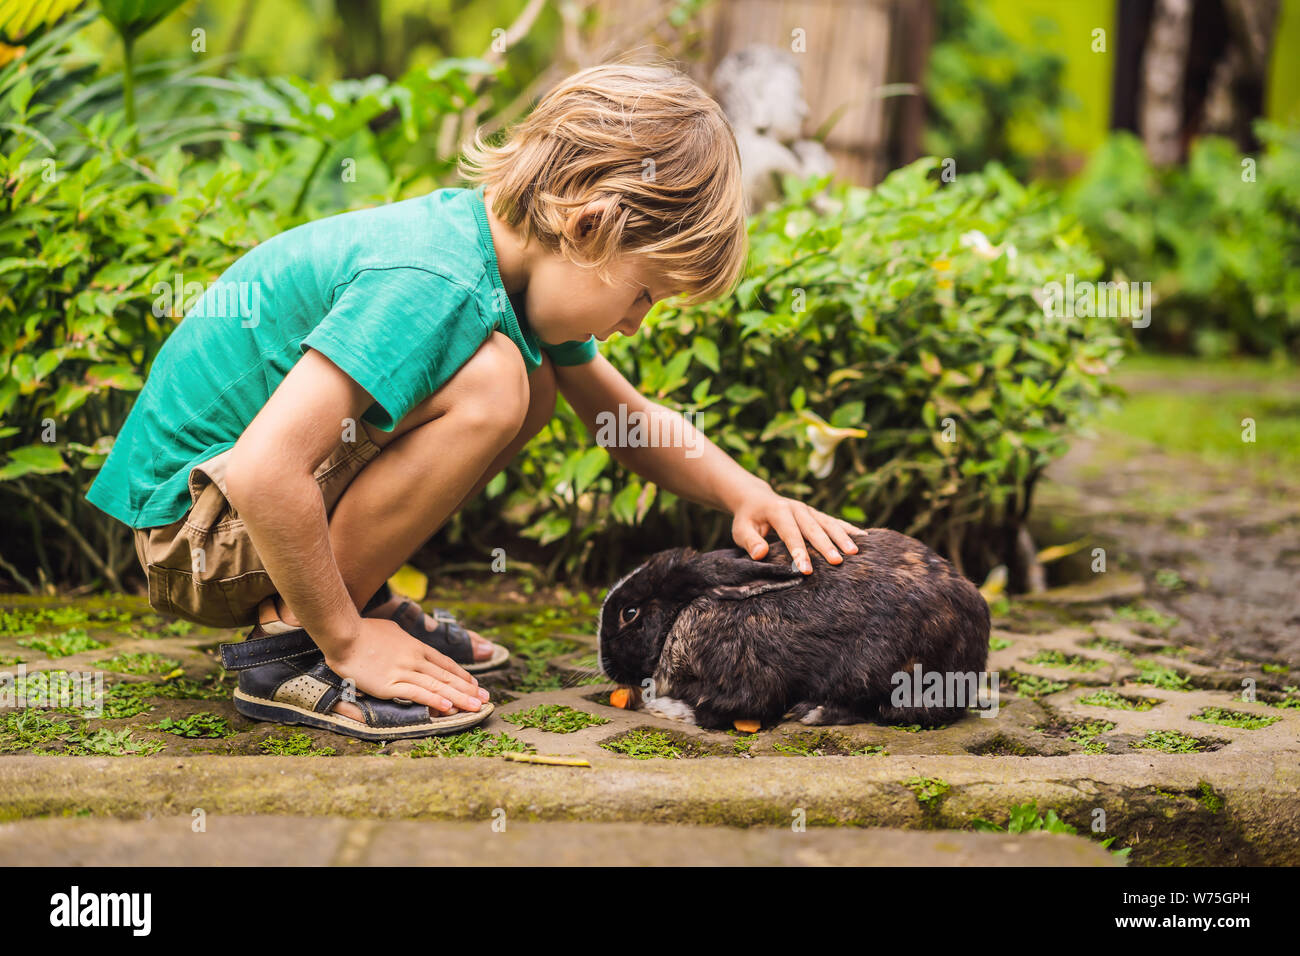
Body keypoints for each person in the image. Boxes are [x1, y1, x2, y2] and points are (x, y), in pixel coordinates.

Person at [86, 62, 862, 742]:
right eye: (644, 294)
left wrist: (747, 494)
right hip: (194, 534)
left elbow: (622, 422)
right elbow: (261, 472)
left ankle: (347, 596)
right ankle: (297, 642)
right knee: (497, 380)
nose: (634, 322)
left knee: (534, 380)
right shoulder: (435, 280)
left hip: (238, 518)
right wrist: (347, 640)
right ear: (590, 225)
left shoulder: (504, 272)